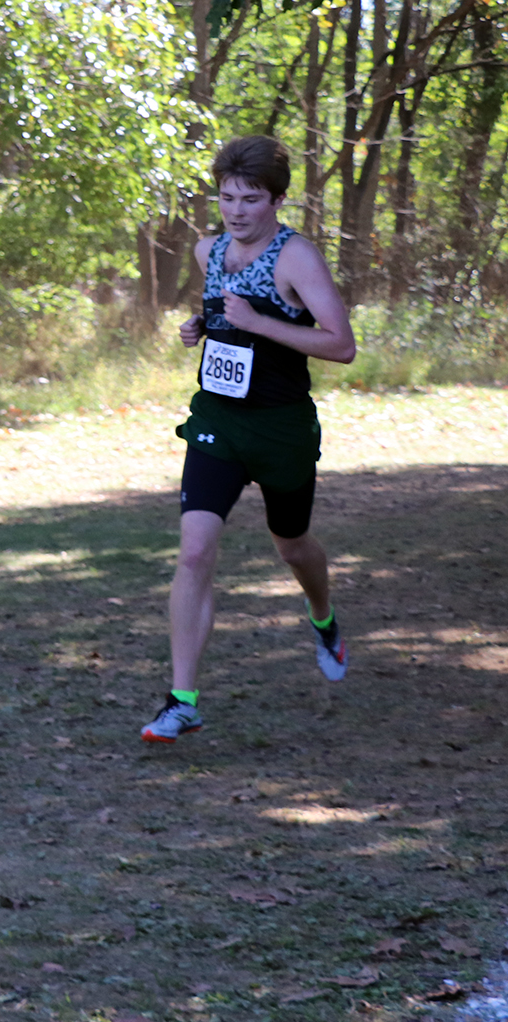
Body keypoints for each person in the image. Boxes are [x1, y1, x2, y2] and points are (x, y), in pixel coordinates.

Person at [143, 135, 357, 744]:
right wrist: (198, 325)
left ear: (278, 200)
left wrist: (261, 323)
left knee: (292, 547)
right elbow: (219, 310)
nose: (236, 210)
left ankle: (324, 617)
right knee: (193, 551)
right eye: (227, 196)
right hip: (218, 419)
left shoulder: (298, 259)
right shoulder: (208, 248)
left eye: (251, 199)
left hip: (282, 427)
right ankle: (182, 700)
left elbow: (341, 344)